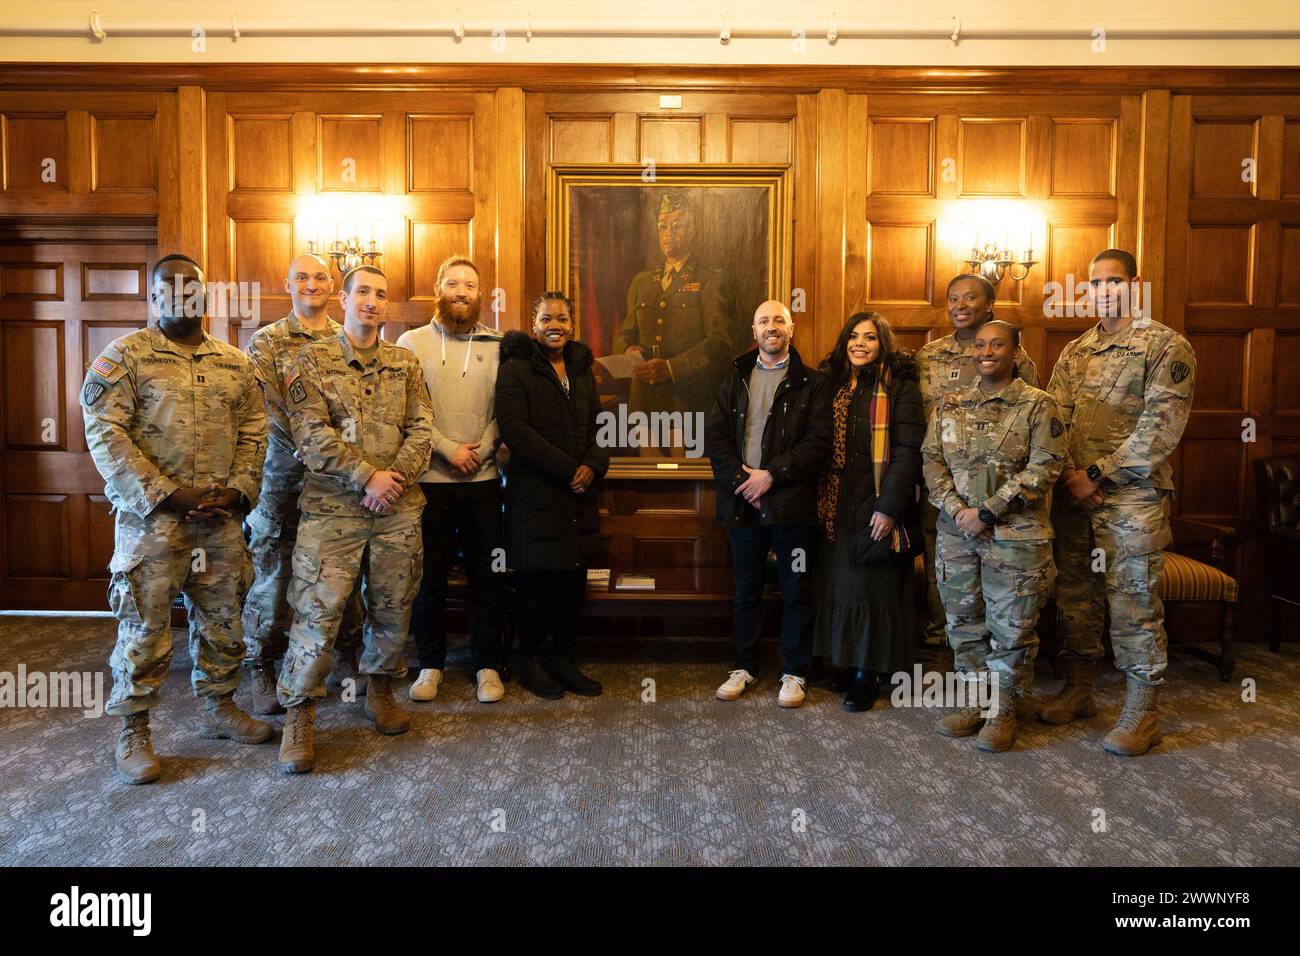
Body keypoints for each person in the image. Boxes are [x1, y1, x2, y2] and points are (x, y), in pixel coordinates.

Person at [82, 253, 271, 785]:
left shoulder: (236, 363)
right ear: (153, 297)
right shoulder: (125, 358)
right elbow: (105, 433)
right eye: (170, 289)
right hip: (153, 524)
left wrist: (238, 491)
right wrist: (168, 495)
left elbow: (256, 431)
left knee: (226, 622)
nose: (183, 297)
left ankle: (220, 707)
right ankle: (134, 730)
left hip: (220, 524)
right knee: (144, 629)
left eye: (193, 288)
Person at [275, 266, 434, 773]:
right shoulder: (308, 360)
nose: (371, 301)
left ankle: (381, 690)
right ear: (343, 298)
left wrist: (394, 481)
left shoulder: (405, 363)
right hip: (331, 513)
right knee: (317, 616)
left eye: (380, 295)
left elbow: (423, 427)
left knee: (392, 608)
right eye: (362, 291)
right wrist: (368, 478)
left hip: (397, 511)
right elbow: (310, 435)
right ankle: (299, 715)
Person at [1042, 248, 1197, 756]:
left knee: (1133, 605)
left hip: (1132, 500)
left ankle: (1141, 713)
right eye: (1095, 283)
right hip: (1074, 497)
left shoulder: (1165, 346)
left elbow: (1160, 430)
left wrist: (1095, 475)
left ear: (1135, 284)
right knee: (1076, 601)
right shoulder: (1077, 351)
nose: (1104, 290)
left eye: (1114, 281)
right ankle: (1080, 690)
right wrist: (1069, 475)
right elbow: (1053, 419)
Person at [922, 319, 1064, 752]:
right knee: (964, 623)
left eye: (997, 344)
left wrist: (987, 511)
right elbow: (931, 461)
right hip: (956, 533)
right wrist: (957, 510)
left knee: (1011, 627)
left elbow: (1045, 467)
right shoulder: (950, 405)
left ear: (1015, 353)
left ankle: (1003, 708)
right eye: (980, 345)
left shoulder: (1038, 406)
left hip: (1015, 537)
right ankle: (975, 700)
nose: (986, 351)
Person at [241, 253, 364, 716]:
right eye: (302, 277)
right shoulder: (267, 341)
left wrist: (334, 453)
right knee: (273, 574)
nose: (311, 284)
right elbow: (266, 405)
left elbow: (357, 406)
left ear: (332, 286)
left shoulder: (347, 336)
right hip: (282, 474)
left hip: (337, 477)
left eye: (320, 277)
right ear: (286, 284)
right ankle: (261, 664)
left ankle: (345, 656)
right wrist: (309, 444)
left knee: (341, 570)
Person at [705, 300, 832, 708]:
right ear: (754, 330)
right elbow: (716, 436)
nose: (771, 327)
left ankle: (794, 672)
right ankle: (745, 666)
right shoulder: (735, 378)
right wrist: (742, 481)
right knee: (746, 590)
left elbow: (818, 444)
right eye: (763, 321)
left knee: (796, 590)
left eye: (779, 320)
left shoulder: (813, 384)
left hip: (792, 507)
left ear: (791, 329)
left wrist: (771, 474)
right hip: (744, 506)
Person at [396, 256, 506, 705]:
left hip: (484, 483)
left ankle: (487, 666)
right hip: (429, 484)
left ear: (481, 295)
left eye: (471, 286)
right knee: (429, 582)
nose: (462, 291)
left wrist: (481, 446)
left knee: (489, 579)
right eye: (454, 283)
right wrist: (447, 448)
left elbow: (507, 409)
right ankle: (431, 666)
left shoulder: (500, 345)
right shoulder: (410, 342)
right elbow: (407, 409)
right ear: (439, 287)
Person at [916, 274, 1039, 655]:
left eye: (971, 298)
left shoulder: (1016, 356)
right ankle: (945, 644)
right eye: (953, 298)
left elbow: (1033, 417)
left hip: (1001, 496)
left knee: (1000, 582)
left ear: (990, 304)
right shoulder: (928, 355)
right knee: (945, 567)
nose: (960, 305)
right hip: (942, 487)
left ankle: (998, 653)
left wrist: (986, 511)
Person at [495, 292, 611, 698]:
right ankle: (530, 661)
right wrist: (569, 470)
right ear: (534, 323)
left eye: (562, 318)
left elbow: (601, 425)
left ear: (571, 324)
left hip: (578, 499)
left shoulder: (581, 368)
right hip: (535, 496)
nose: (555, 326)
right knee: (535, 588)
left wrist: (592, 467)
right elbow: (513, 429)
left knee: (570, 584)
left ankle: (563, 660)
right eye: (547, 319)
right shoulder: (516, 368)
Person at [813, 312, 925, 711]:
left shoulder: (899, 386)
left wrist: (888, 507)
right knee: (842, 586)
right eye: (854, 337)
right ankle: (848, 661)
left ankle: (869, 673)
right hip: (836, 501)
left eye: (870, 338)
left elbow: (909, 451)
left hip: (879, 501)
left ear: (883, 345)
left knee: (871, 588)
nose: (860, 344)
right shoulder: (834, 383)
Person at [613, 191, 735, 446]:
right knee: (645, 475)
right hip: (643, 399)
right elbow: (625, 333)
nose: (669, 232)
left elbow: (720, 343)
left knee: (684, 478)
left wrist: (671, 368)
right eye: (663, 226)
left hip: (687, 399)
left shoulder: (710, 279)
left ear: (693, 231)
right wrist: (627, 349)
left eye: (678, 225)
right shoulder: (642, 282)